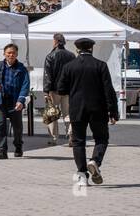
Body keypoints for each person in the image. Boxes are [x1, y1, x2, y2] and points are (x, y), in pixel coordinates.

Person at [57, 37, 118, 186]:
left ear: (77, 50)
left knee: (78, 142)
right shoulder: (100, 65)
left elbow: (61, 89)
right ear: (92, 48)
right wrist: (113, 111)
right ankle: (95, 160)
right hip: (98, 108)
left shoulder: (69, 66)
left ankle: (82, 174)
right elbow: (108, 90)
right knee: (101, 139)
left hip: (77, 108)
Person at [0, 43, 31, 159]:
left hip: (15, 102)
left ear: (16, 54)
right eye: (9, 53)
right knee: (0, 126)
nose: (11, 55)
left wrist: (21, 100)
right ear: (4, 54)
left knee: (17, 127)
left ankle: (18, 146)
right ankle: (2, 151)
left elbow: (25, 85)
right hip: (0, 101)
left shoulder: (21, 68)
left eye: (13, 53)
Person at [41, 32, 75, 147]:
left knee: (52, 114)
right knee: (68, 114)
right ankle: (71, 135)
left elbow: (47, 76)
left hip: (54, 90)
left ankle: (54, 138)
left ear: (55, 41)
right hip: (68, 90)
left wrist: (46, 91)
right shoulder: (71, 55)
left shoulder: (50, 56)